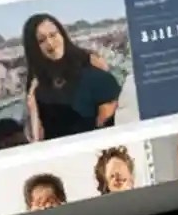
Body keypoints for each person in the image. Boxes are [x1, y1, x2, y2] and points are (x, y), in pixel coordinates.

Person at [22, 13, 121, 142]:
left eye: (53, 35)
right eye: (41, 40)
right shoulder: (36, 85)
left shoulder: (89, 61)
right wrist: (33, 109)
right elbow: (37, 140)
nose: (50, 43)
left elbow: (111, 106)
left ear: (62, 34)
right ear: (34, 48)